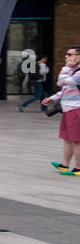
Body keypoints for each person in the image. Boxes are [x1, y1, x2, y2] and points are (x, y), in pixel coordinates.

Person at [45, 46, 80, 175]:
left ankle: (78, 168)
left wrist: (66, 68)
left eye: (70, 54)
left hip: (76, 109)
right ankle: (65, 166)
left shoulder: (77, 72)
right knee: (67, 138)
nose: (66, 56)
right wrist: (53, 98)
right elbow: (66, 89)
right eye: (66, 54)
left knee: (77, 140)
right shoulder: (73, 71)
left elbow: (61, 83)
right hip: (68, 109)